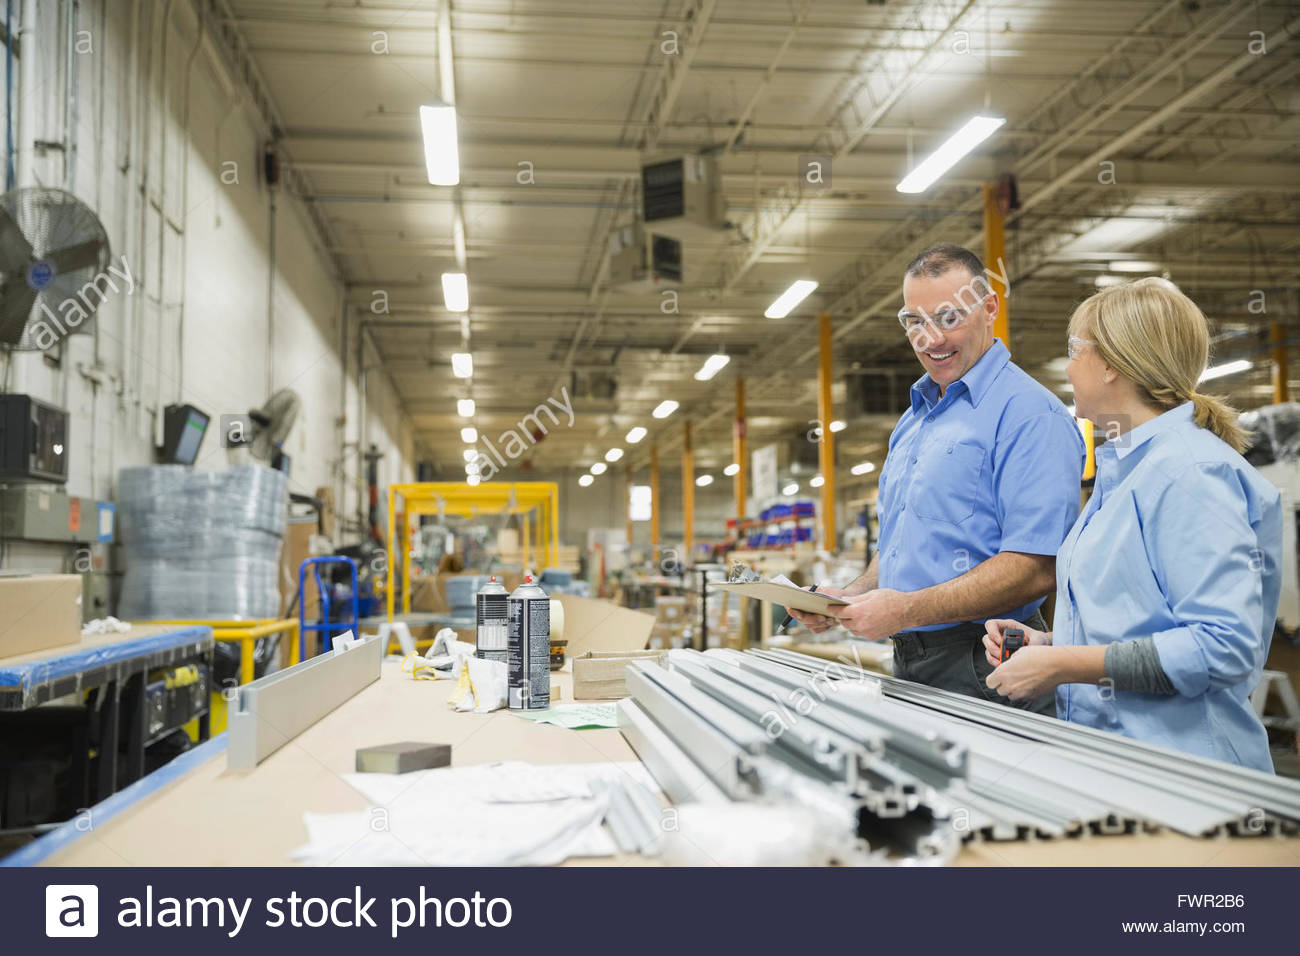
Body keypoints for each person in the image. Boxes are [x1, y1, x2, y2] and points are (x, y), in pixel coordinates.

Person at [981, 277, 1280, 772]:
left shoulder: (1189, 473)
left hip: (1190, 777)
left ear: (1113, 365)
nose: (1068, 368)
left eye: (1074, 351)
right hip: (1121, 764)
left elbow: (1224, 646)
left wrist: (1062, 666)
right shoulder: (1125, 473)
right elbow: (1140, 621)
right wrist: (1052, 645)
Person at [792, 244, 1084, 714]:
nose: (929, 339)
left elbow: (1035, 567)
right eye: (913, 322)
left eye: (948, 318)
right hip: (909, 660)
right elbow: (902, 552)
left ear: (989, 309)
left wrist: (905, 610)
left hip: (986, 662)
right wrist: (849, 597)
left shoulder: (1031, 415)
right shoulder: (914, 421)